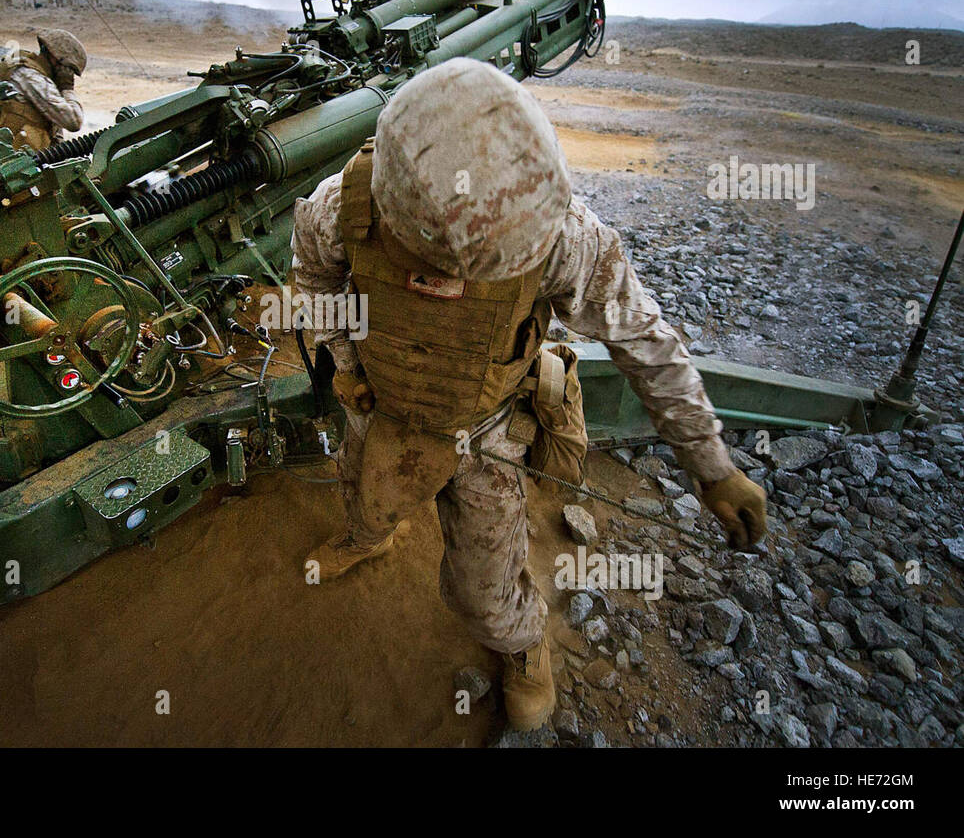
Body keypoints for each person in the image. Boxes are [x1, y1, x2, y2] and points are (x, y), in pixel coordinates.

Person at [292, 58, 767, 732]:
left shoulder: (561, 238)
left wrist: (712, 466)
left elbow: (643, 337)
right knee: (364, 492)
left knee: (483, 591)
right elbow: (312, 277)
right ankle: (367, 537)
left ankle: (519, 642)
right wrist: (346, 362)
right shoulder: (345, 208)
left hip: (485, 424)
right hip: (382, 403)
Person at [0, 28, 85, 151]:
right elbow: (73, 122)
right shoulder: (30, 76)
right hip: (8, 154)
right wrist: (67, 88)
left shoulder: (31, 71)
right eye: (68, 69)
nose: (69, 74)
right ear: (56, 60)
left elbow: (56, 133)